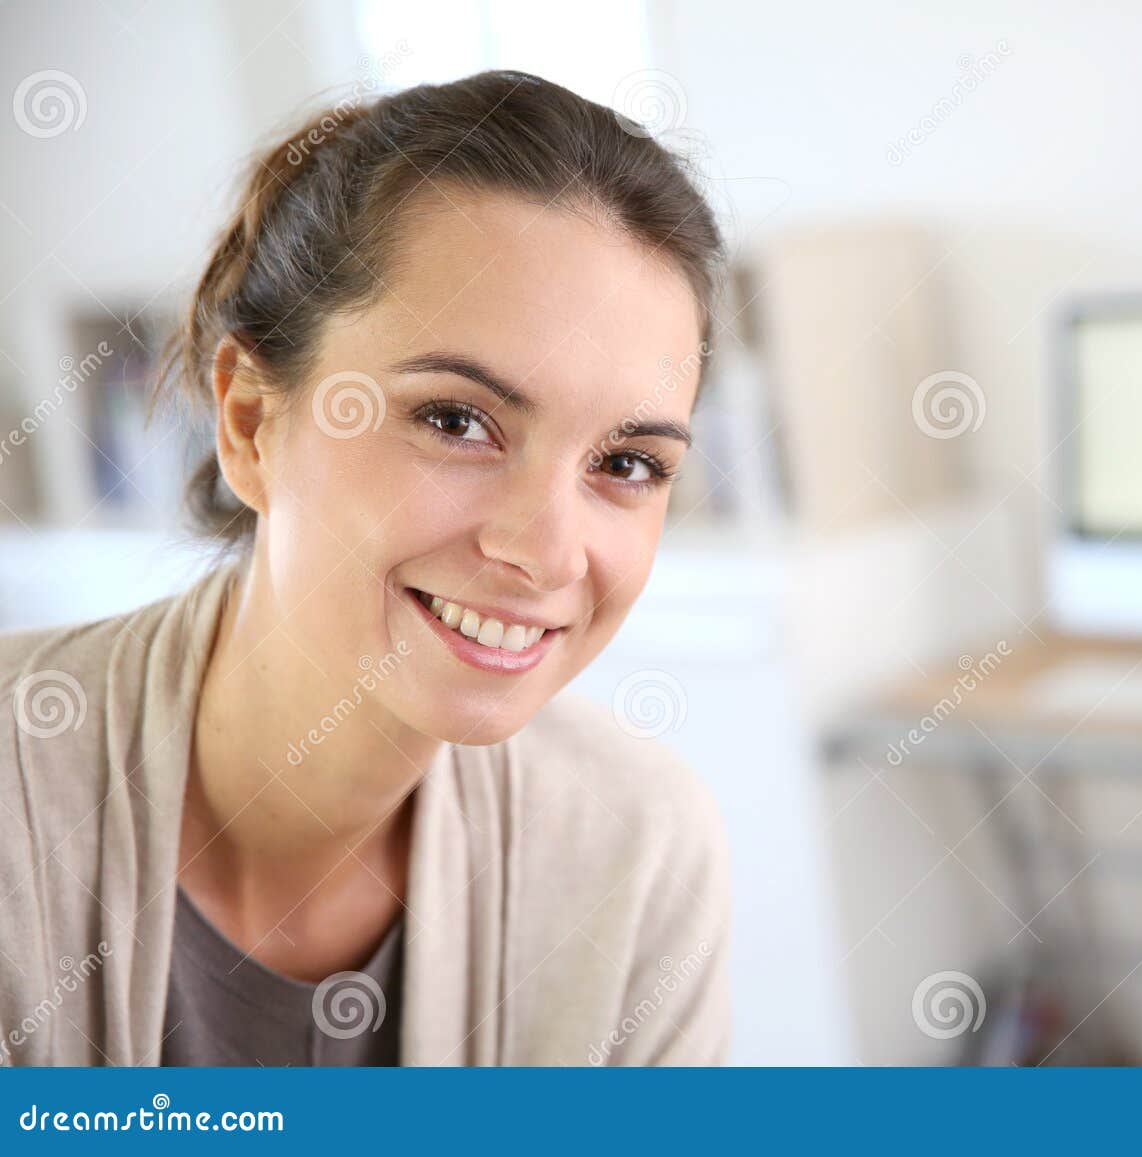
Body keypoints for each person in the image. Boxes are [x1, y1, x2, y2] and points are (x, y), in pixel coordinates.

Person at [0, 69, 731, 1066]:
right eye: (457, 421)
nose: (549, 551)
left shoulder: (636, 848)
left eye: (627, 463)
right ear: (250, 422)